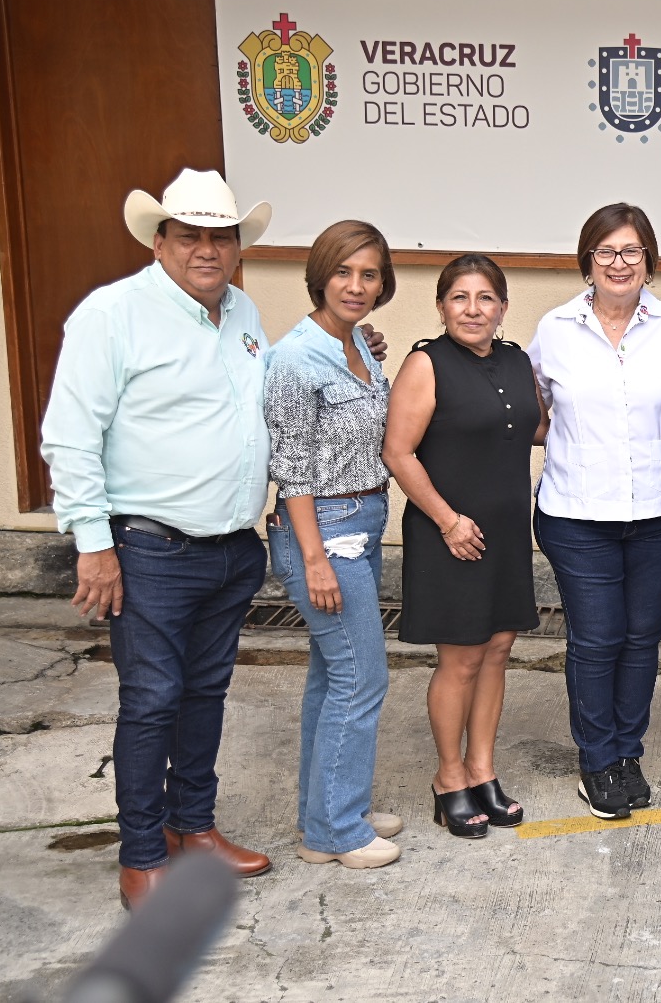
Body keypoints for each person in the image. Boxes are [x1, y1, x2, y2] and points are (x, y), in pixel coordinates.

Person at [40, 169, 278, 909]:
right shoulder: (112, 314)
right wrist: (92, 542)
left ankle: (193, 828)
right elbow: (71, 435)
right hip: (149, 549)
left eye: (221, 236)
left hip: (231, 549)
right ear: (160, 240)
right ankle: (143, 852)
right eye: (190, 235)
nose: (207, 249)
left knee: (206, 694)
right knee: (150, 700)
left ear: (238, 247)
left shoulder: (242, 311)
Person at [528, 203, 661, 820]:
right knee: (597, 638)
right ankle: (596, 760)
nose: (619, 263)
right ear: (588, 262)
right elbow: (531, 411)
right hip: (577, 513)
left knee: (641, 637)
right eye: (606, 252)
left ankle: (628, 751)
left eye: (631, 251)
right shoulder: (554, 329)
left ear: (649, 260)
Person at [383, 254, 542, 838]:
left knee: (499, 648)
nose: (473, 310)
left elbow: (534, 426)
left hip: (504, 531)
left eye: (485, 299)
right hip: (450, 533)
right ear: (441, 305)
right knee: (462, 657)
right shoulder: (426, 363)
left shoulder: (517, 359)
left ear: (502, 308)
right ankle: (449, 777)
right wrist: (449, 522)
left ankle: (483, 769)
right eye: (460, 298)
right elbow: (398, 452)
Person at [264, 219, 403, 869]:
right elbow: (290, 465)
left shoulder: (356, 344)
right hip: (322, 529)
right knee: (361, 677)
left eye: (368, 273)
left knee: (331, 677)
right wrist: (314, 556)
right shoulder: (295, 358)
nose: (355, 285)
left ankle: (324, 817)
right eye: (343, 271)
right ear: (320, 275)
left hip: (362, 521)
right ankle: (342, 832)